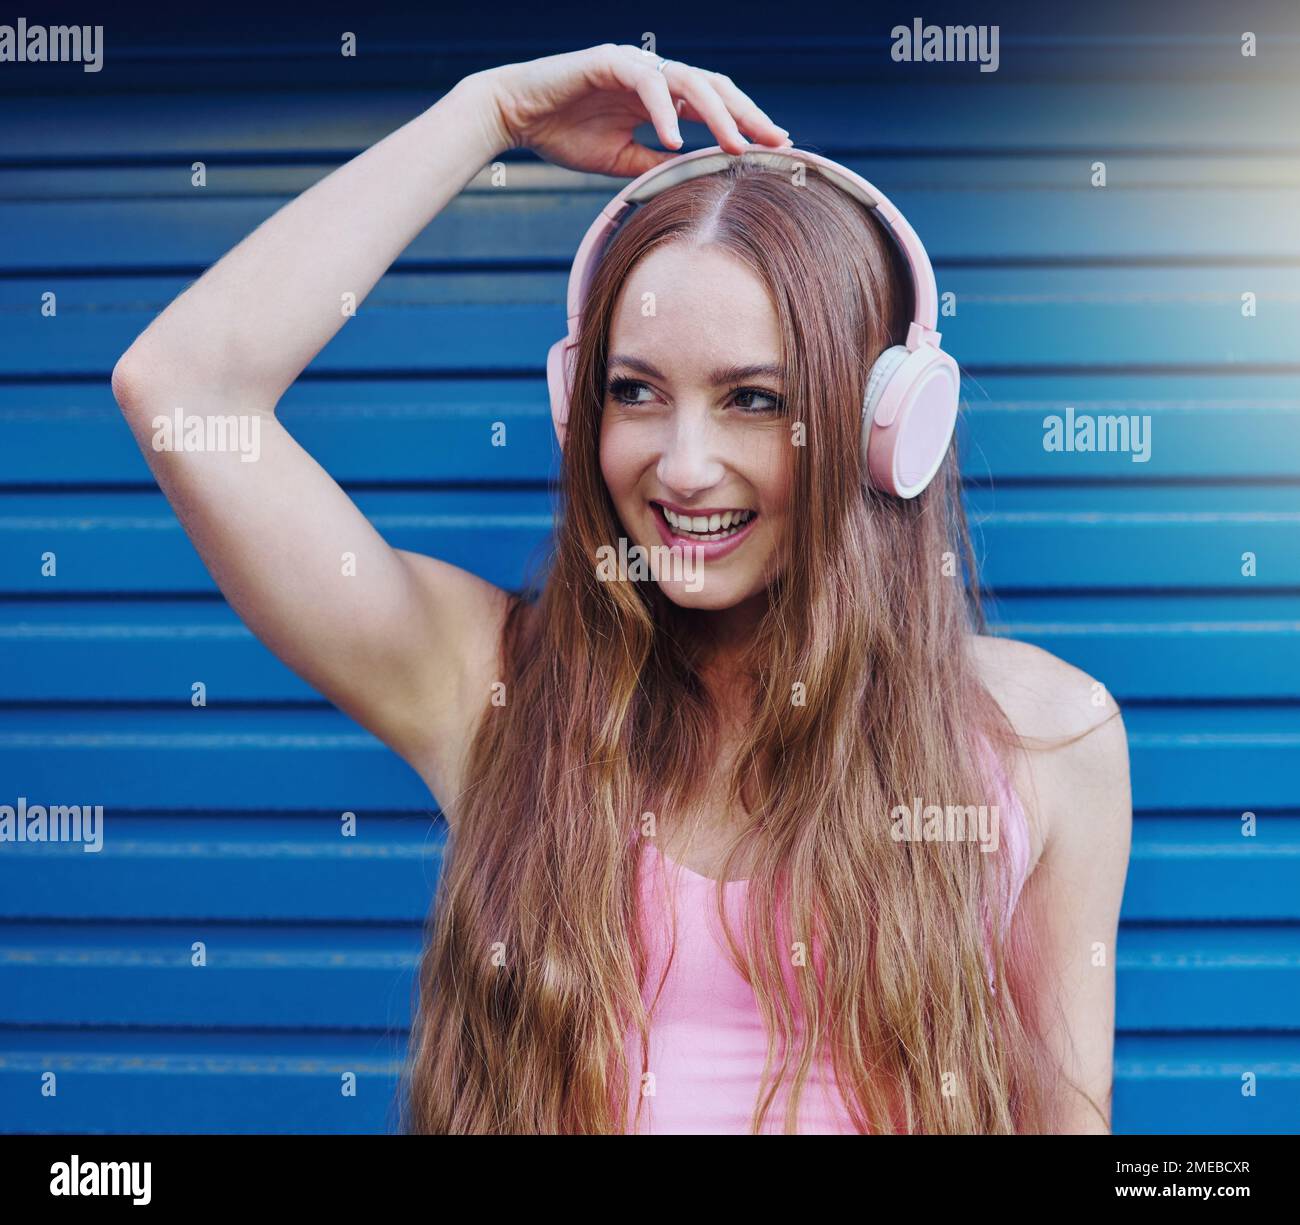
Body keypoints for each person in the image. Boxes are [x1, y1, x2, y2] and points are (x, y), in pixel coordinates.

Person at [110, 43, 1132, 1135]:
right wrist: (484, 109)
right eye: (635, 391)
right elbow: (182, 389)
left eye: (751, 399)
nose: (682, 465)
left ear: (889, 427)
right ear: (577, 406)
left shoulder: (1046, 738)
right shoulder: (493, 690)